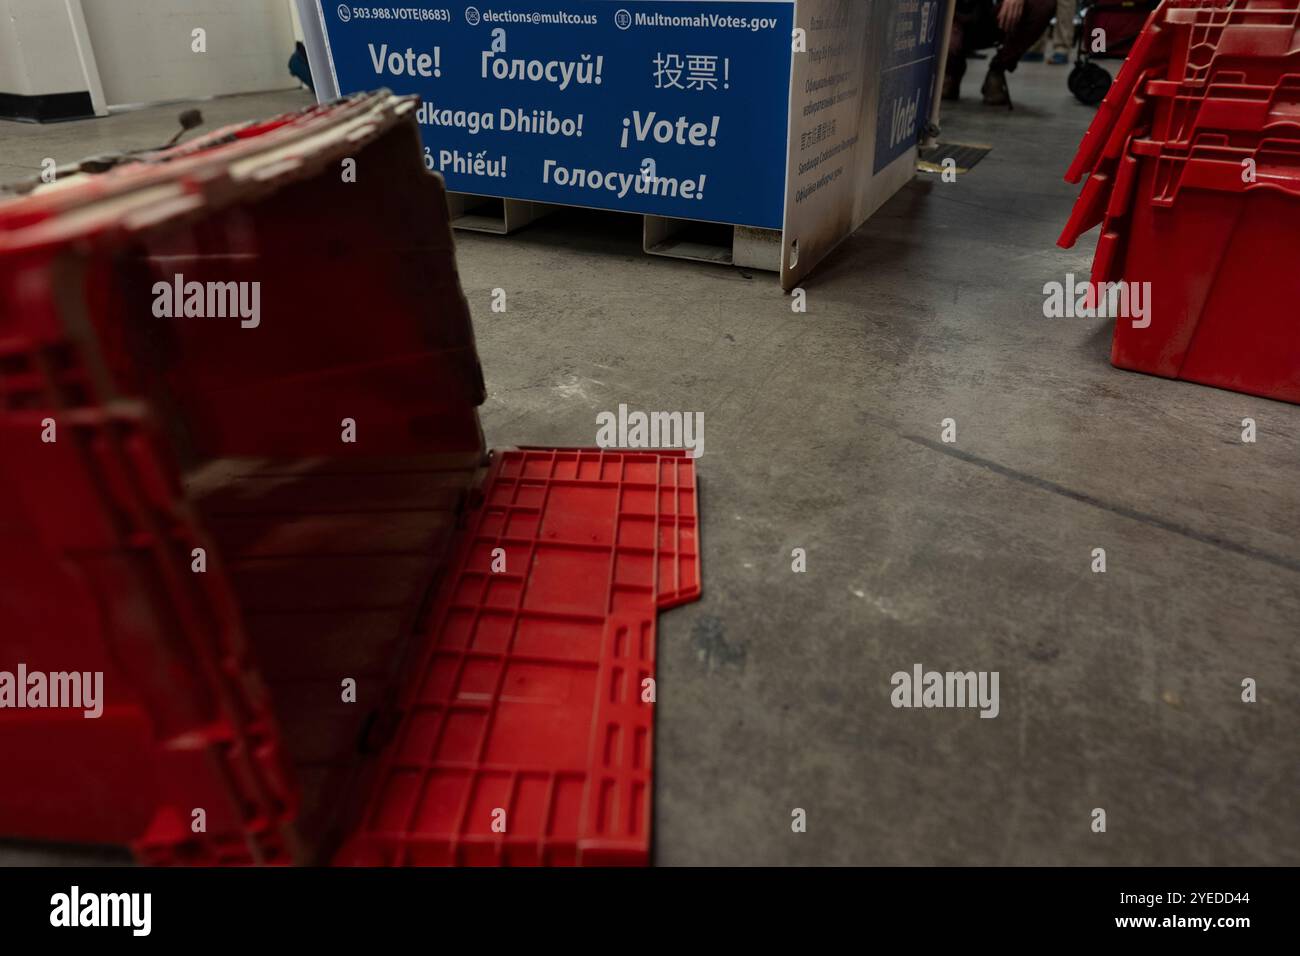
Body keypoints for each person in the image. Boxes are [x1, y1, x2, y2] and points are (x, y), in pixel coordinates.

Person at [943, 0, 1058, 106]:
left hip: (995, 15)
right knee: (942, 14)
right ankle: (949, 70)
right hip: (955, 16)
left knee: (1043, 4)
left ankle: (998, 69)